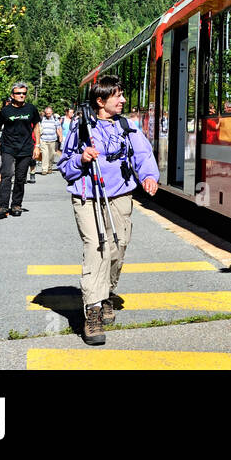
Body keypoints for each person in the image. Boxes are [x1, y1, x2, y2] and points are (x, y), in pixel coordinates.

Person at [57, 74, 159, 346]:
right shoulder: (81, 128)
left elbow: (143, 155)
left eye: (122, 95)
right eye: (118, 96)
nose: (123, 100)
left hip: (120, 195)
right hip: (87, 196)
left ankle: (105, 294)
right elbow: (65, 167)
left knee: (118, 246)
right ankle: (92, 310)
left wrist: (149, 176)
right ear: (101, 101)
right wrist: (81, 158)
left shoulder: (128, 126)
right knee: (96, 247)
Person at [0, 82, 40, 218]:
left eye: (24, 93)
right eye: (18, 93)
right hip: (8, 148)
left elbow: (36, 127)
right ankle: (2, 206)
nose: (22, 95)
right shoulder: (6, 111)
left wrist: (37, 146)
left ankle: (16, 204)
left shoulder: (31, 109)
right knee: (6, 175)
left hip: (26, 148)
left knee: (20, 178)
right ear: (12, 95)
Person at [37, 106, 62, 175]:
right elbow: (38, 129)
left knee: (51, 155)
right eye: (47, 113)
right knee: (45, 154)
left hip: (52, 140)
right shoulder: (42, 119)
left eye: (49, 113)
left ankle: (49, 168)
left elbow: (58, 128)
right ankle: (44, 169)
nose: (48, 114)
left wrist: (60, 136)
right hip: (43, 140)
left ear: (52, 112)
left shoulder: (55, 119)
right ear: (45, 113)